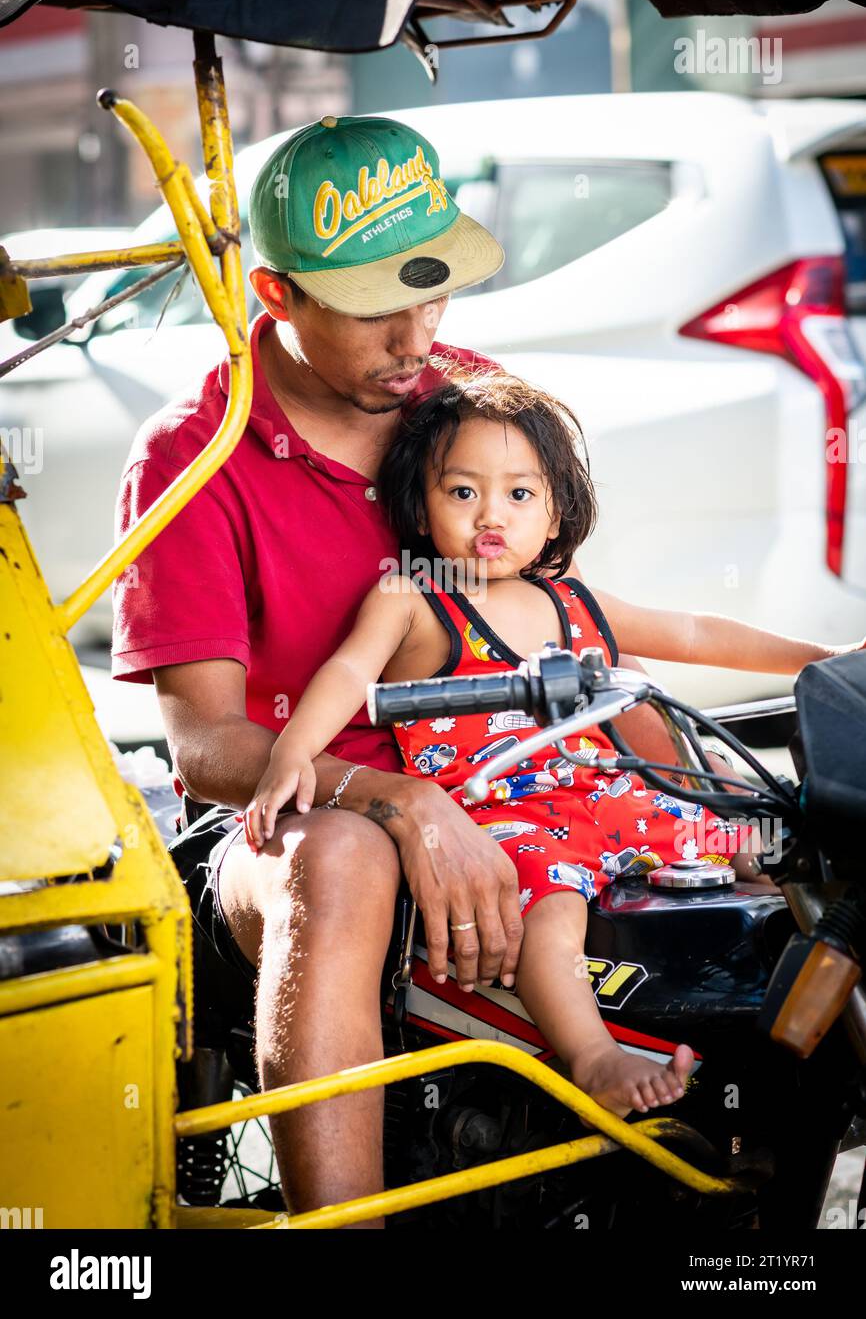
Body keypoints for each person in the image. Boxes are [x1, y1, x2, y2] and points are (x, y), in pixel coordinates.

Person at [112, 113, 748, 1223]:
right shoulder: (190, 456)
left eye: (433, 291)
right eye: (375, 308)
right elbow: (207, 746)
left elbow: (569, 633)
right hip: (295, 815)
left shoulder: (462, 398)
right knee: (347, 860)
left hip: (514, 784)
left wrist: (699, 776)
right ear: (276, 297)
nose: (417, 337)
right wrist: (401, 799)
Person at [243, 370, 866, 1118]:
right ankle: (592, 1053)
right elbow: (348, 672)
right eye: (462, 492)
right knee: (550, 907)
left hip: (609, 789)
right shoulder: (413, 596)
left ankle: (781, 1042)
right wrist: (292, 754)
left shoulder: (569, 595)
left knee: (764, 845)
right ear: (421, 503)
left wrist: (825, 656)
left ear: (557, 507)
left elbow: (695, 632)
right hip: (505, 814)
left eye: (519, 493)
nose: (489, 516)